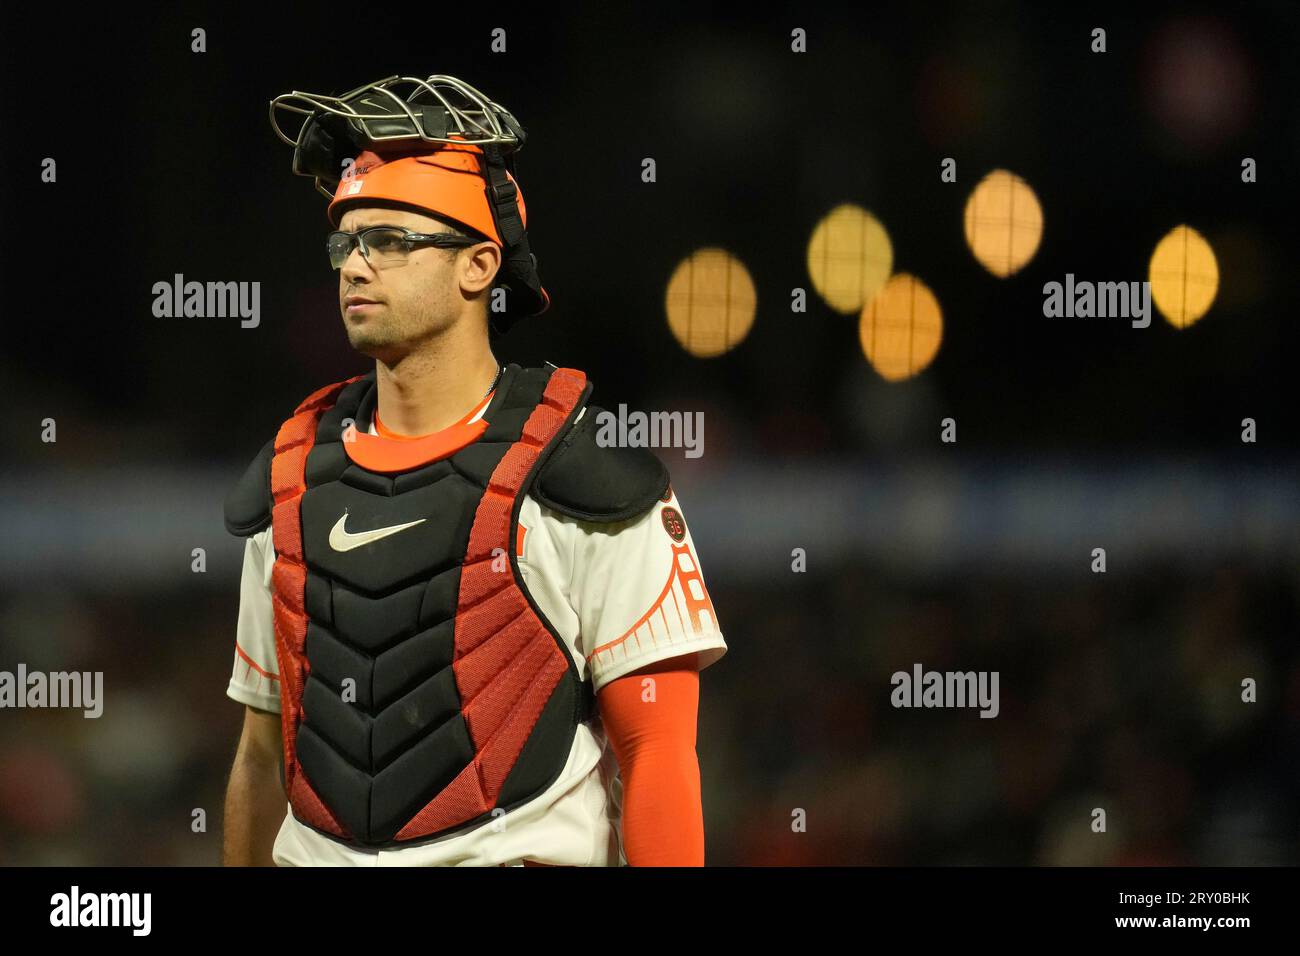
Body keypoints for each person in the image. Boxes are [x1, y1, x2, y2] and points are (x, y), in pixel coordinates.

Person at [220, 85, 727, 866]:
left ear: (479, 264)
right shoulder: (292, 477)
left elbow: (657, 749)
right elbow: (260, 755)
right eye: (345, 243)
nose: (355, 264)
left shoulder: (585, 477)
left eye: (389, 240)